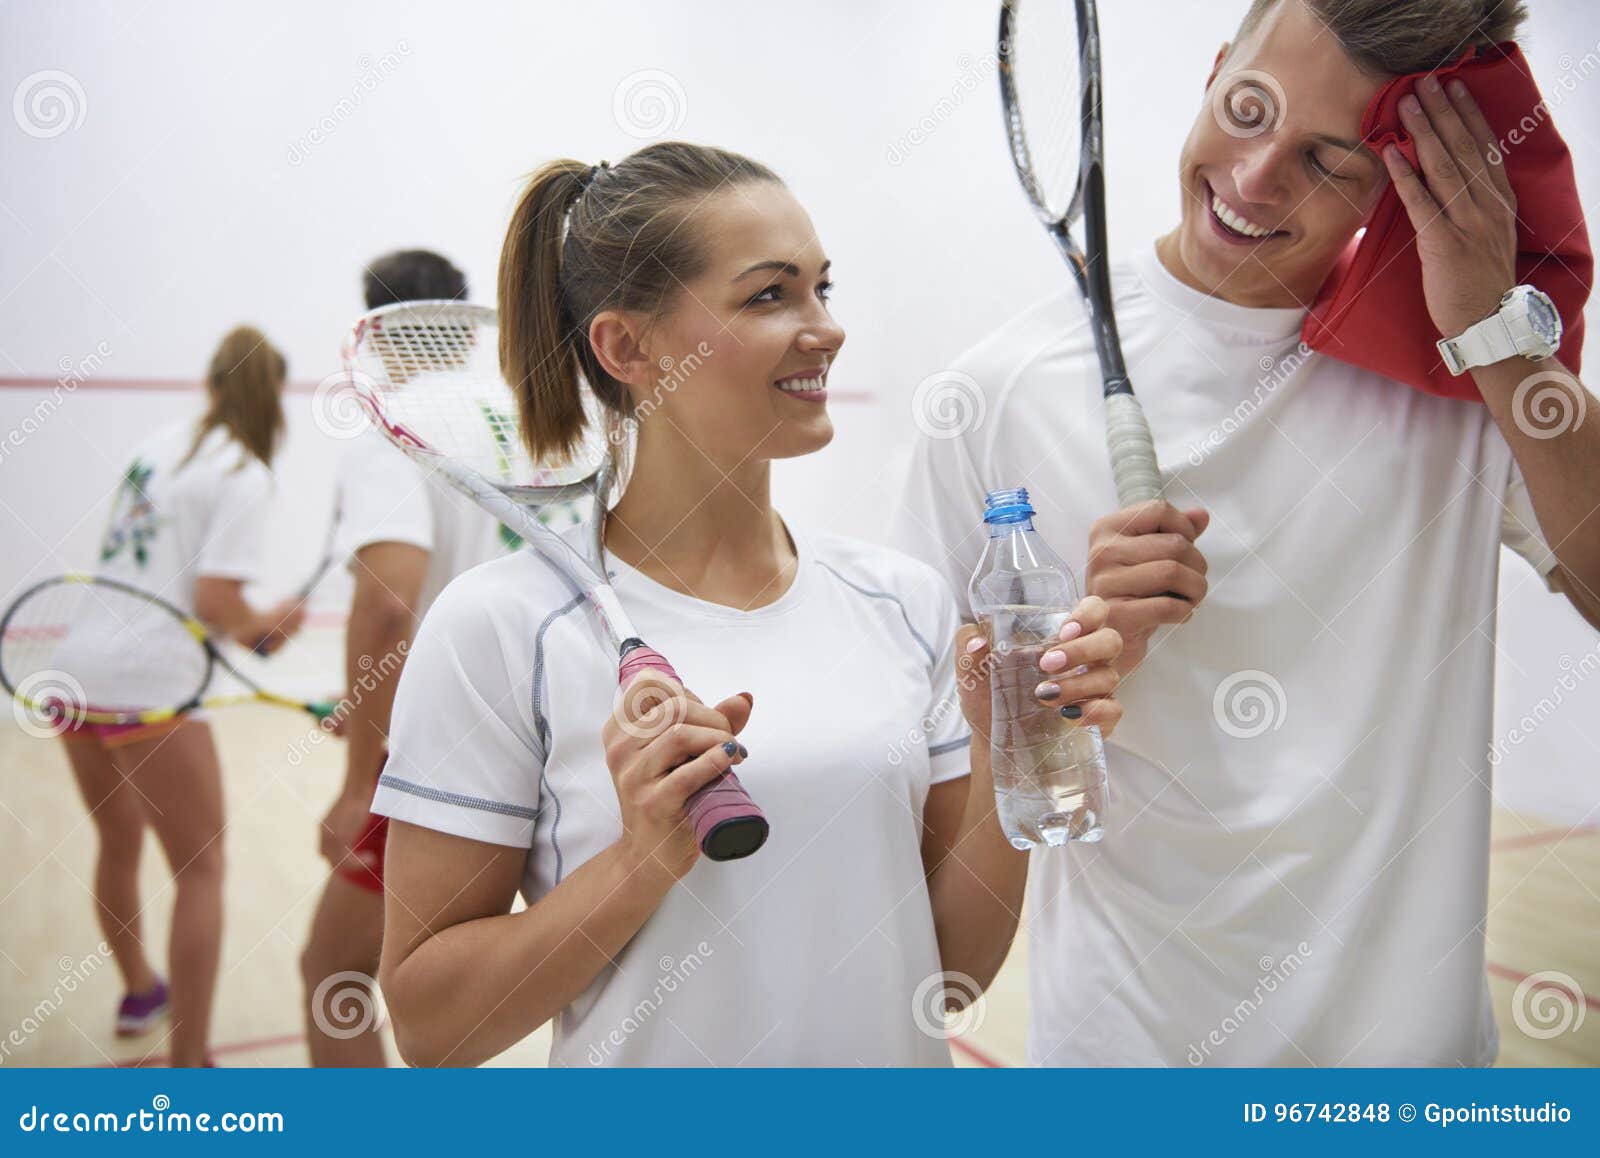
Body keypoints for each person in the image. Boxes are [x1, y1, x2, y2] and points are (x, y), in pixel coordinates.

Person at [899, 0, 1599, 1066]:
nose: (1258, 176)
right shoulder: (990, 396)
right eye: (1248, 109)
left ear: (1400, 180)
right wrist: (1067, 676)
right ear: (1217, 66)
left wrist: (1499, 346)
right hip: (1124, 1068)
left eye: (1328, 160)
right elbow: (937, 782)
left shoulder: (1461, 380)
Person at [369, 142, 1124, 1066]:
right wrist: (637, 865)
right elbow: (433, 1029)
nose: (827, 327)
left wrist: (1019, 751)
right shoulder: (498, 629)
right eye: (770, 295)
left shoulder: (903, 603)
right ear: (626, 347)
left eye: (821, 286)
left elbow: (950, 978)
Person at [299, 249, 525, 1066]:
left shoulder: (392, 423)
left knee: (335, 973)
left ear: (380, 328)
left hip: (447, 765)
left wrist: (361, 780)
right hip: (556, 736)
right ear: (461, 323)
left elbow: (391, 604)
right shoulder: (532, 416)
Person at [62, 325, 304, 1066]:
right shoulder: (244, 469)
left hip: (77, 673)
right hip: (153, 688)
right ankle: (191, 1064)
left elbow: (175, 588)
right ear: (273, 396)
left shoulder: (157, 446)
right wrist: (269, 623)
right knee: (201, 870)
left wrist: (249, 626)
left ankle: (140, 991)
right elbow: (216, 599)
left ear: (210, 383)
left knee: (118, 842)